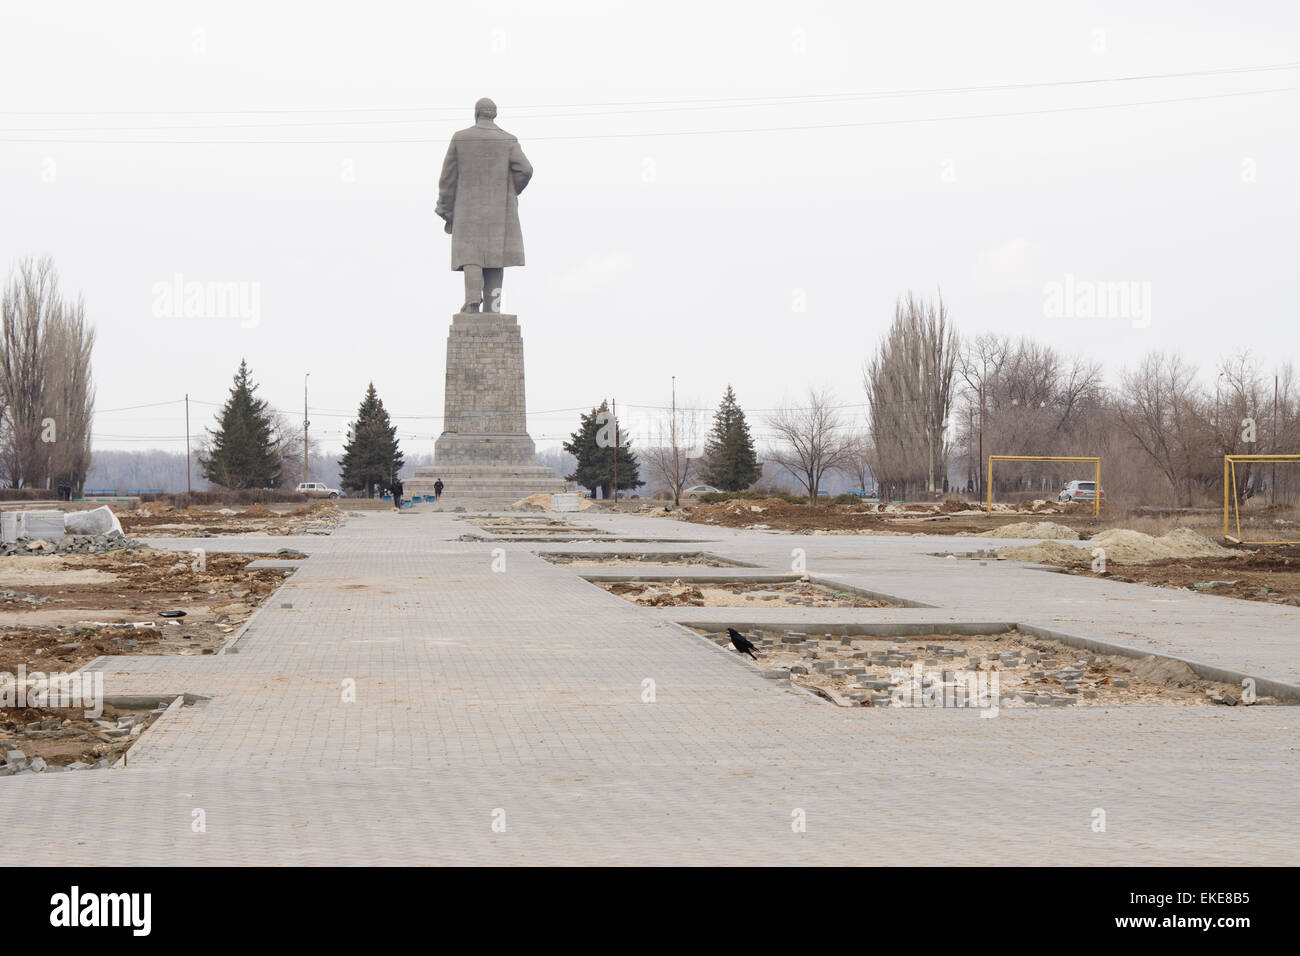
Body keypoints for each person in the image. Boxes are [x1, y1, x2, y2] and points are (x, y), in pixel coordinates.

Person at [435, 97, 532, 314]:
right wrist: (510, 191)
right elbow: (526, 169)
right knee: (496, 260)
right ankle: (493, 307)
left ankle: (471, 303)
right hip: (500, 211)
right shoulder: (508, 140)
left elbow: (447, 178)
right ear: (494, 114)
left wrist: (445, 207)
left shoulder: (461, 138)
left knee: (472, 257)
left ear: (476, 113)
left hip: (467, 211)